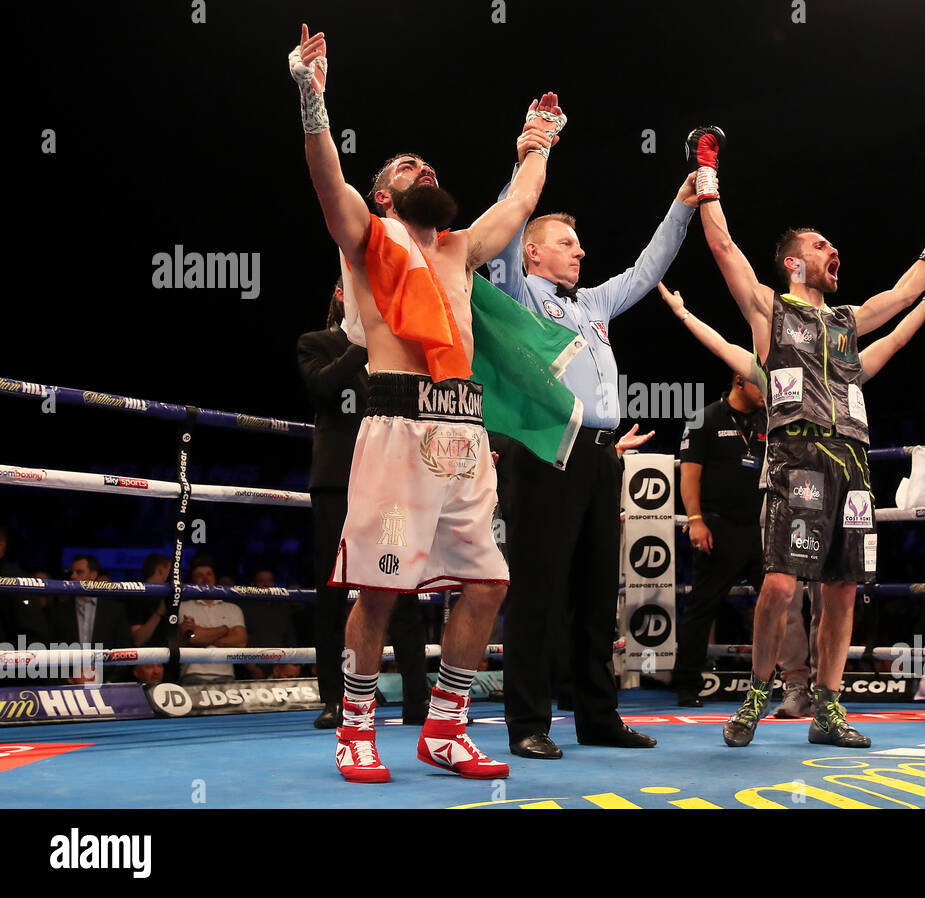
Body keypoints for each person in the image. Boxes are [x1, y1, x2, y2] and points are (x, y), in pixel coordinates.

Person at [290, 24, 559, 781]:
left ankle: (445, 727)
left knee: (488, 582)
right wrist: (312, 97)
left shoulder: (461, 248)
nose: (425, 169)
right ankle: (354, 727)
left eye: (428, 163)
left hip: (463, 435)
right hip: (397, 427)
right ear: (384, 192)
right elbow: (323, 175)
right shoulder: (365, 237)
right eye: (409, 167)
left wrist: (536, 139)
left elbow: (525, 197)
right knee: (378, 589)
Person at [685, 125, 925, 747]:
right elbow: (724, 249)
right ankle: (758, 693)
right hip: (795, 457)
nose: (833, 250)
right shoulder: (771, 309)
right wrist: (706, 170)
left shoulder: (847, 322)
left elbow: (900, 299)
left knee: (843, 589)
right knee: (780, 586)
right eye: (822, 245)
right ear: (796, 261)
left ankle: (829, 707)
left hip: (853, 463)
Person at [485, 142, 701, 762]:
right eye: (565, 243)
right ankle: (527, 721)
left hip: (602, 457)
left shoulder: (592, 305)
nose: (580, 250)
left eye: (579, 245)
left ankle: (598, 718)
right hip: (545, 452)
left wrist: (681, 207)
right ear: (531, 249)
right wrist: (529, 155)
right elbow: (502, 231)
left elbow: (645, 271)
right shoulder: (519, 295)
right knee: (538, 591)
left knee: (596, 591)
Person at [298, 282, 434, 727]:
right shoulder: (315, 343)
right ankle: (334, 699)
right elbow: (323, 386)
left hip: (390, 480)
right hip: (338, 483)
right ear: (340, 295)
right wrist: (363, 340)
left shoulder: (394, 346)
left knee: (402, 587)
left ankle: (418, 697)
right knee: (331, 591)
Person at [672, 373, 766, 708]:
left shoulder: (768, 419)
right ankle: (687, 684)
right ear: (739, 381)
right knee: (702, 607)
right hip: (717, 527)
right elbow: (689, 473)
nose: (767, 392)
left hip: (761, 529)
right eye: (761, 385)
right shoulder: (705, 417)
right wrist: (695, 520)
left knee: (780, 606)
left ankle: (783, 682)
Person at [48, 555, 133, 684]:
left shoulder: (114, 610)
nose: (73, 577)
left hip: (107, 683)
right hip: (69, 684)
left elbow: (124, 649)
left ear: (93, 575)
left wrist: (109, 682)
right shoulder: (59, 610)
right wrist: (66, 679)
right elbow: (50, 648)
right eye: (72, 572)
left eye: (79, 572)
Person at [178, 558, 248, 685]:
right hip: (193, 675)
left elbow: (241, 641)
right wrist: (225, 630)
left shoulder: (232, 608)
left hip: (226, 675)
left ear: (215, 578)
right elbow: (192, 637)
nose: (205, 579)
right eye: (200, 575)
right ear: (193, 580)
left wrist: (203, 635)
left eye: (209, 574)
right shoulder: (183, 607)